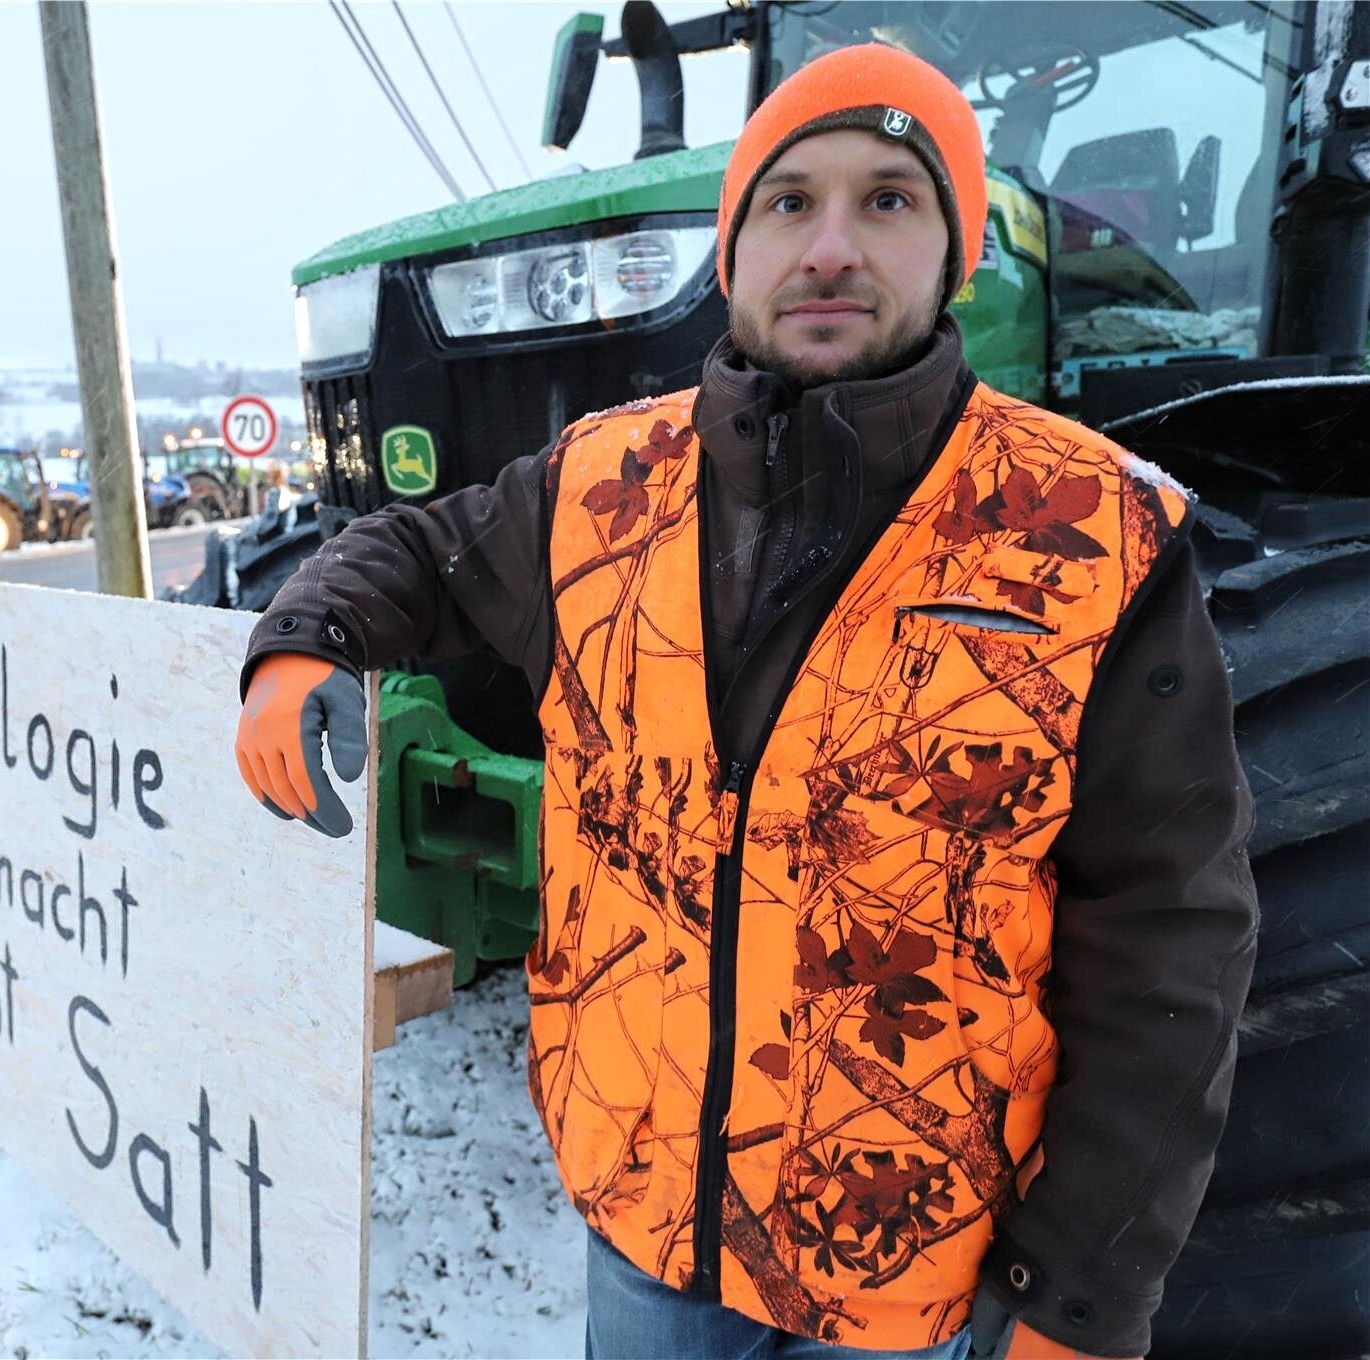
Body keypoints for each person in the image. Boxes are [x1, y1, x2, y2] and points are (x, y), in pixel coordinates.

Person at [234, 41, 1259, 1360]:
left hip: (912, 1285)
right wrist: (303, 642)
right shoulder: (599, 485)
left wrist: (1077, 1294)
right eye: (789, 202)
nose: (830, 244)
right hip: (645, 1234)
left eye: (888, 198)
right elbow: (421, 548)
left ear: (953, 250)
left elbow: (1169, 948)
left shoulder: (1089, 540)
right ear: (732, 254)